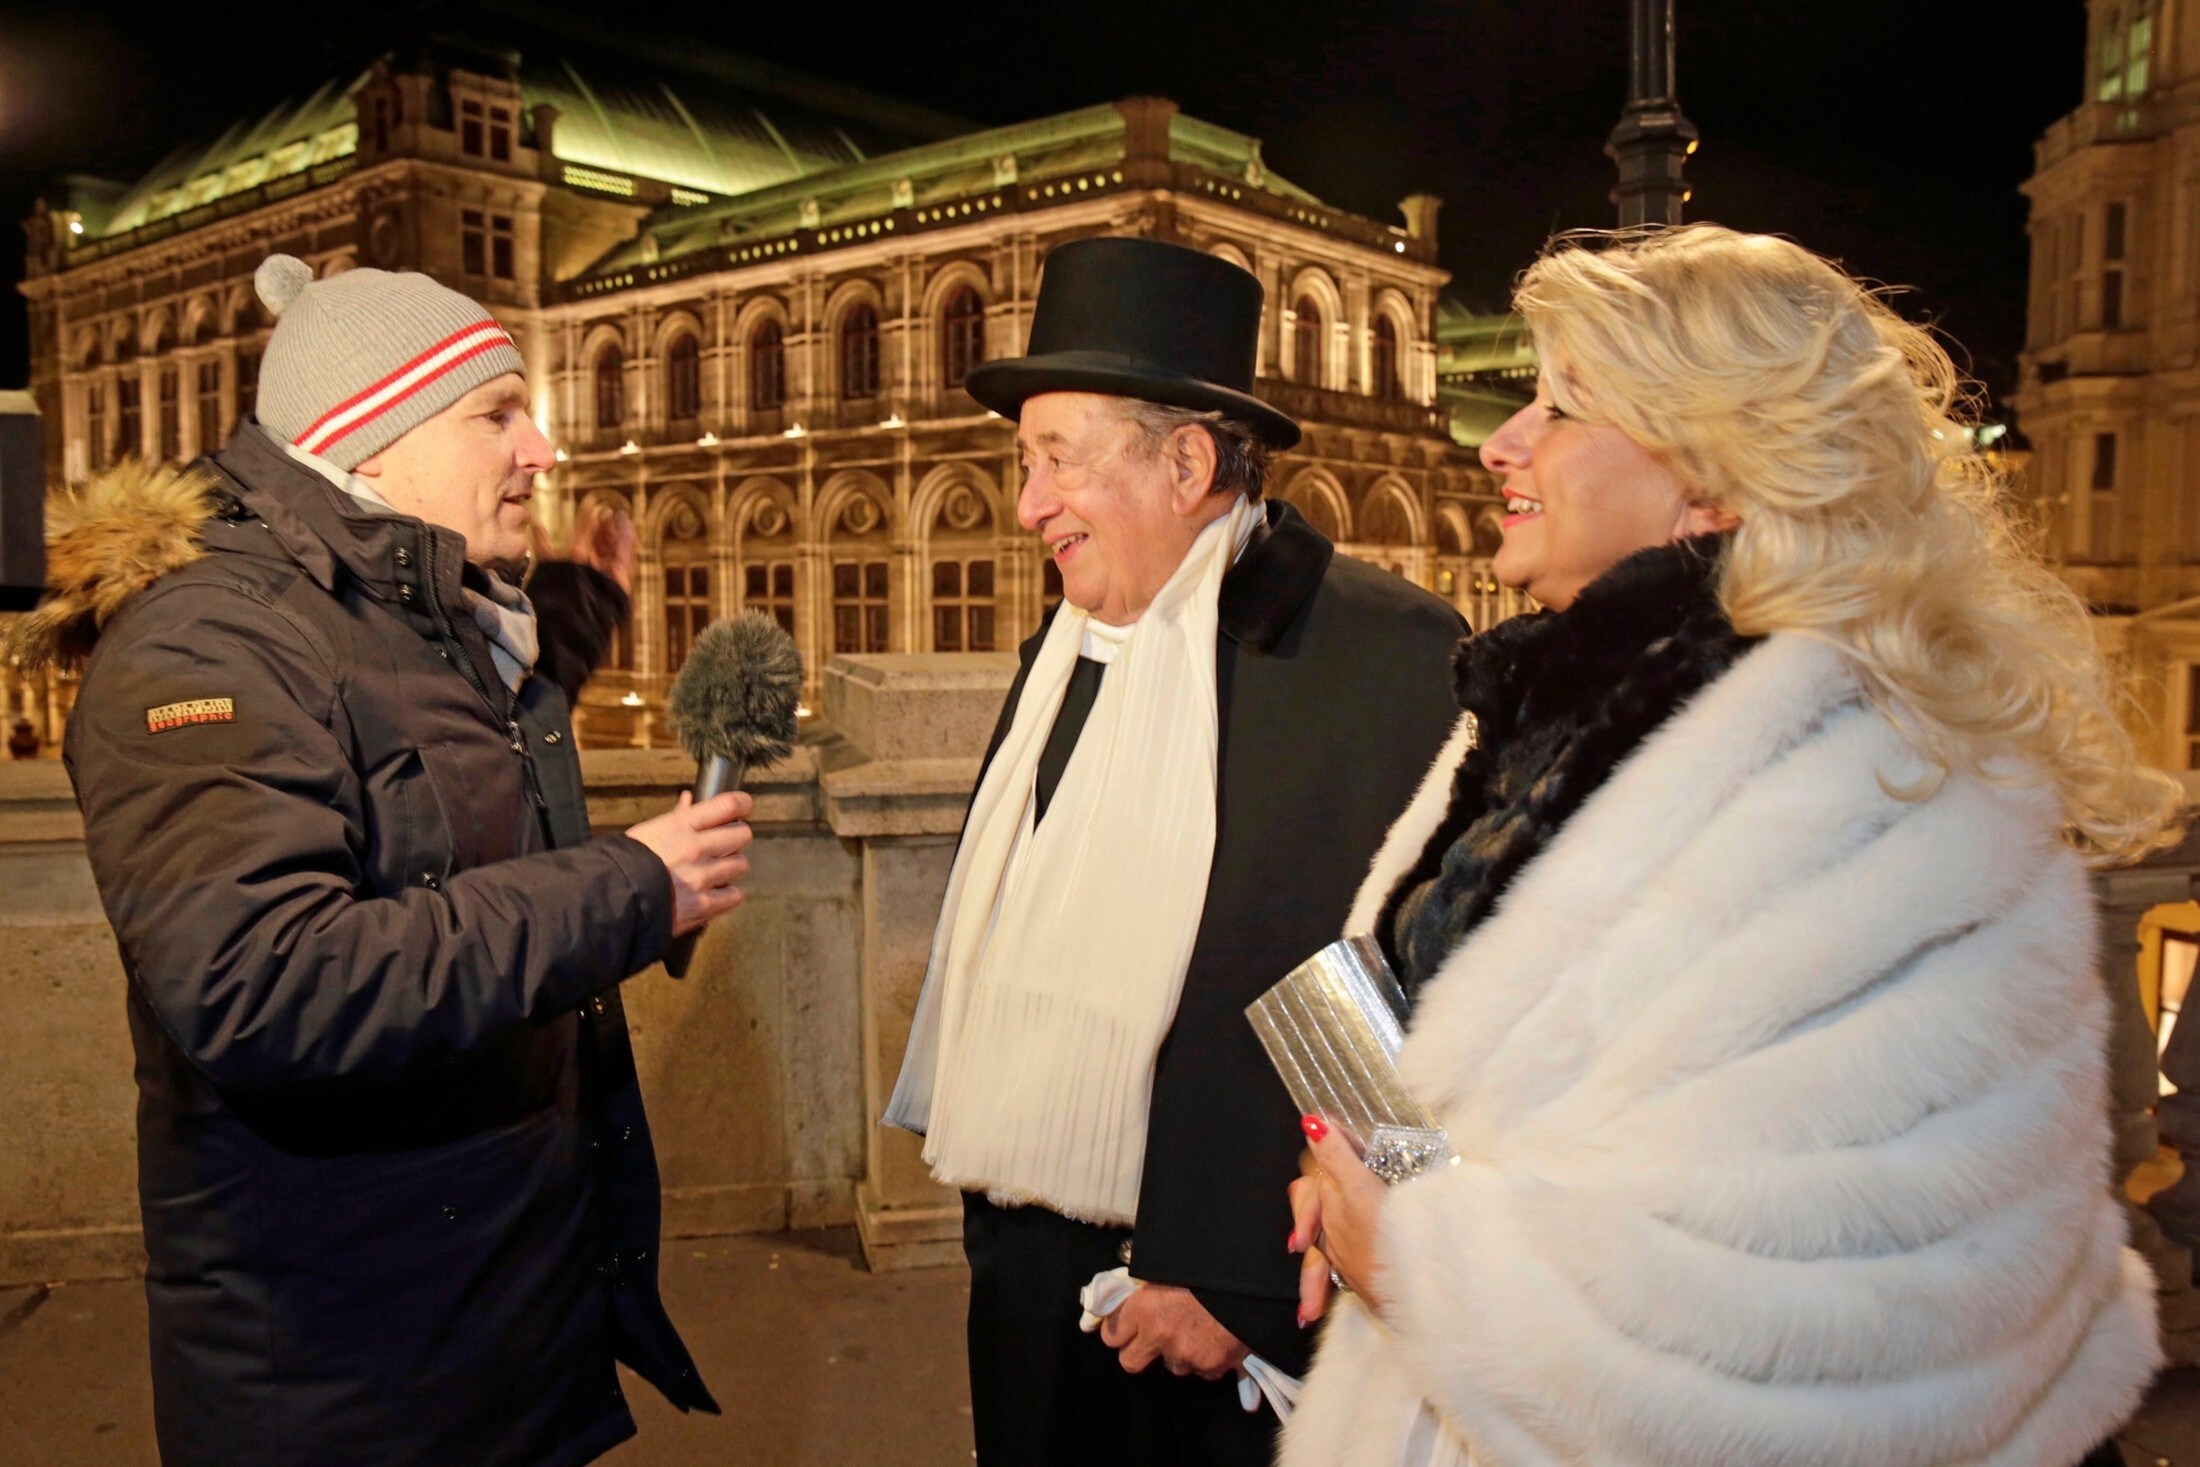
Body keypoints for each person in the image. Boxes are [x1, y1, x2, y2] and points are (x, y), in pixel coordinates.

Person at [1279, 224, 2184, 1467]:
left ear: (1710, 471)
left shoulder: (1875, 781)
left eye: (1560, 407)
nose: (1500, 441)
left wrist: (1431, 1262)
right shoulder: (1567, 705)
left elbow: (1864, 1329)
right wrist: (1374, 1180)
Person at [13, 256, 751, 1467]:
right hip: (342, 1367)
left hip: (488, 1319)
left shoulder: (420, 615)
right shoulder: (203, 644)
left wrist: (567, 626)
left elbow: (432, 775)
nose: (543, 449)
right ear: (369, 441)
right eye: (496, 414)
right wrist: (626, 887)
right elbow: (267, 983)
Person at [884, 237, 1464, 1465]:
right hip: (1030, 1265)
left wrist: (1233, 1280)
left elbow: (1396, 995)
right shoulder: (1074, 641)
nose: (1029, 501)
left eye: (1056, 461)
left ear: (1187, 460)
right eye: (1024, 461)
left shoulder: (1378, 649)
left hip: (1216, 1301)